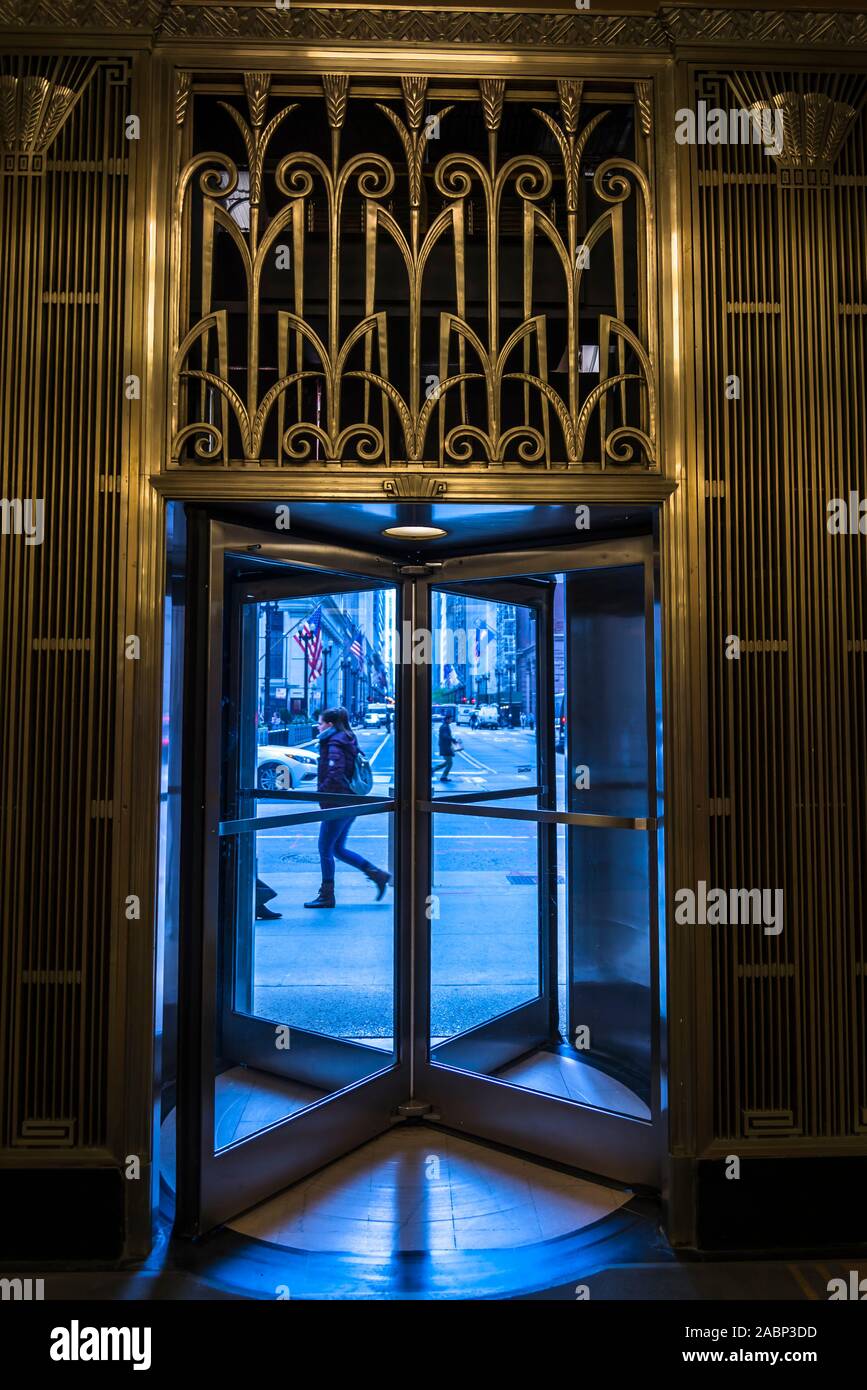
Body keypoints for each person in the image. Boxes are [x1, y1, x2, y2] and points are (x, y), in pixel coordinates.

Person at [304, 706, 391, 909]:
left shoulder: (333, 742)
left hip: (337, 802)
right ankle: (377, 875)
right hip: (349, 800)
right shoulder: (347, 738)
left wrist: (323, 793)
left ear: (330, 724)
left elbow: (335, 772)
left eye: (320, 723)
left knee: (325, 848)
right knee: (337, 848)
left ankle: (327, 895)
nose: (317, 727)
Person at [435, 710, 459, 782]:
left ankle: (433, 769)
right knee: (449, 763)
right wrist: (453, 739)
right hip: (445, 747)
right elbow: (445, 736)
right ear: (447, 719)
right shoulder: (445, 727)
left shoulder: (445, 726)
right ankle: (443, 776)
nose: (451, 720)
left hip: (445, 746)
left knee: (447, 762)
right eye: (451, 719)